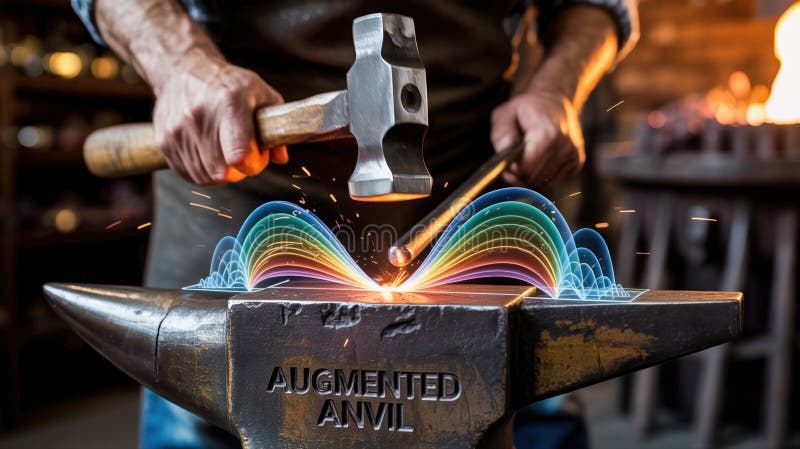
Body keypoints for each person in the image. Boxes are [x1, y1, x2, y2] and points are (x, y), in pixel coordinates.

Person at [72, 1, 638, 448]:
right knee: (206, 409)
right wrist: (180, 64)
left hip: (471, 200)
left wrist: (556, 86)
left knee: (522, 395)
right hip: (235, 193)